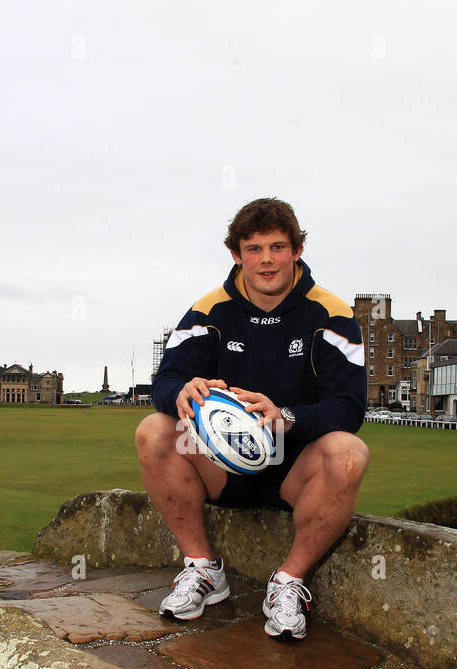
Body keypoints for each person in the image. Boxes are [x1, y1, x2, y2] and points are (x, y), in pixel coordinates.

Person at [135, 198, 369, 640]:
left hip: (296, 472)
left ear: (297, 251)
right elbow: (165, 380)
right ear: (236, 254)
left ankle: (289, 583)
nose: (266, 260)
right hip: (221, 468)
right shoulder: (210, 310)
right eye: (254, 248)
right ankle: (203, 571)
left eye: (277, 247)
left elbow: (349, 407)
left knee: (350, 453)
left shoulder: (332, 314)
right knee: (154, 431)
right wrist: (180, 392)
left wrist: (286, 417)